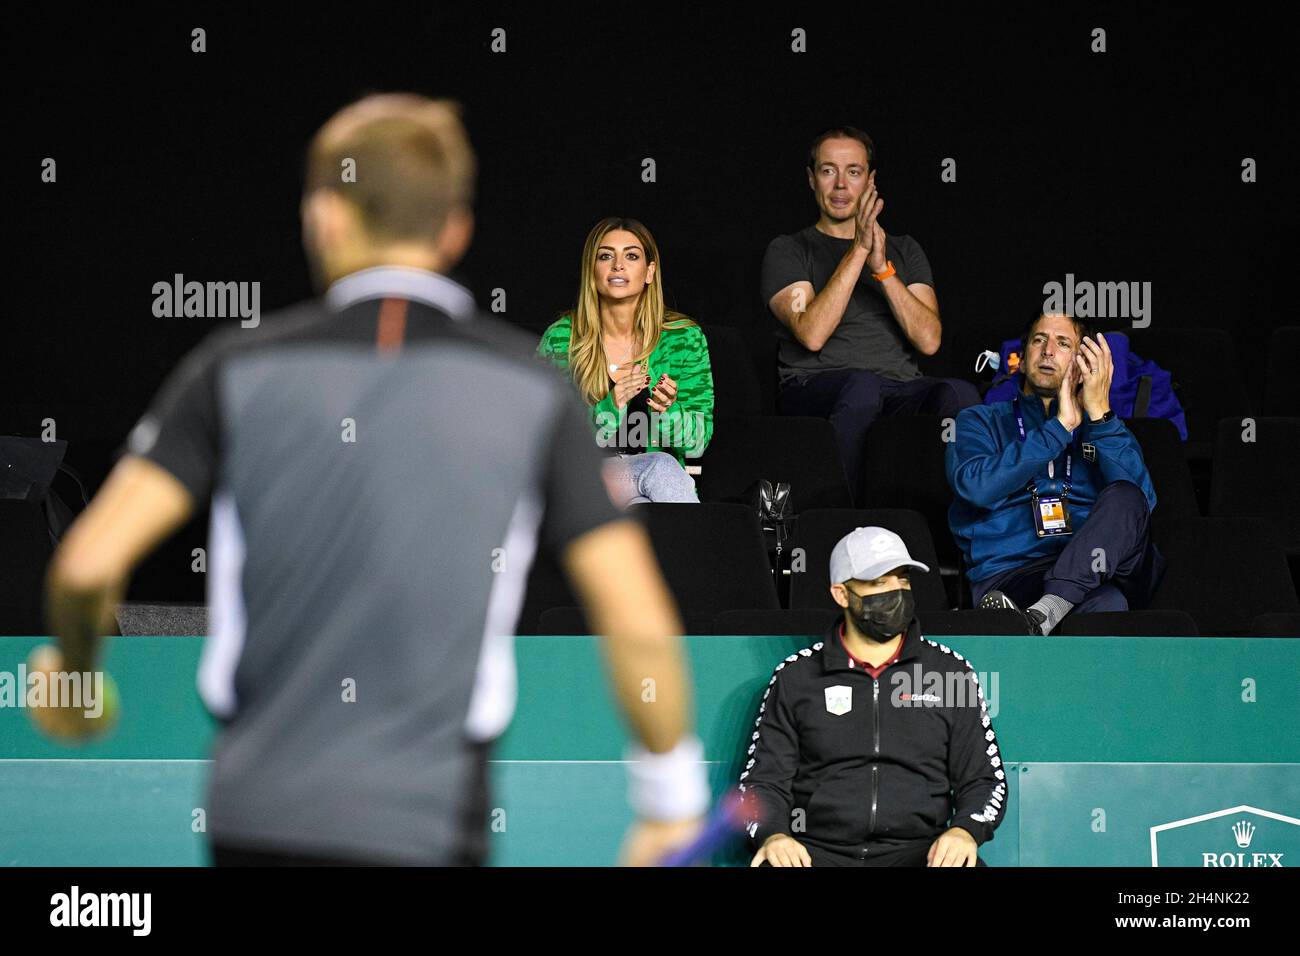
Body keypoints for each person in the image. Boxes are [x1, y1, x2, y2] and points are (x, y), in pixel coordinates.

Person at [31, 93, 709, 867]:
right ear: (457, 228)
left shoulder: (232, 367)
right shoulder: (531, 387)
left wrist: (73, 673)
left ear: (322, 215)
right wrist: (669, 803)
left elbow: (86, 565)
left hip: (258, 815)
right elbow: (637, 615)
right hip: (431, 822)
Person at [740, 527, 1006, 867]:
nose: (895, 591)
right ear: (841, 594)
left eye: (903, 579)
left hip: (923, 854)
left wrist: (966, 830)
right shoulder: (796, 677)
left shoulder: (949, 673)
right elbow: (762, 783)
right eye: (878, 582)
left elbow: (985, 779)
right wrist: (774, 835)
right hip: (815, 852)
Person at [760, 126, 980, 501]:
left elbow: (929, 340)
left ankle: (958, 532)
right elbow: (812, 332)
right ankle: (846, 524)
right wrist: (858, 250)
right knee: (862, 386)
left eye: (854, 172)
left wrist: (883, 269)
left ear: (871, 180)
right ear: (811, 179)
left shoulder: (905, 250)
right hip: (814, 384)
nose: (841, 185)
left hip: (897, 387)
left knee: (959, 392)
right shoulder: (789, 250)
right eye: (829, 171)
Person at [946, 313, 1167, 634]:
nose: (1048, 350)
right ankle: (1049, 612)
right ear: (1021, 362)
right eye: (1039, 340)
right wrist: (1059, 428)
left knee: (1126, 495)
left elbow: (1140, 507)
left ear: (1082, 365)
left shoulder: (1104, 426)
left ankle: (1044, 613)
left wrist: (1100, 417)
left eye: (1063, 343)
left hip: (1101, 566)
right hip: (1014, 574)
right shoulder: (979, 421)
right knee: (1108, 606)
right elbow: (976, 488)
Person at [538, 217, 713, 507]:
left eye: (631, 256)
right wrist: (612, 404)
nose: (618, 265)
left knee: (652, 499)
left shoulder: (684, 338)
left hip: (650, 487)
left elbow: (697, 442)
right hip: (584, 479)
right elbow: (547, 436)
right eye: (605, 256)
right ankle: (701, 548)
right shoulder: (561, 338)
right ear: (591, 270)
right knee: (660, 466)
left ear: (649, 272)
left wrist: (668, 412)